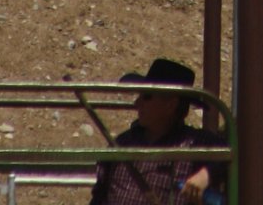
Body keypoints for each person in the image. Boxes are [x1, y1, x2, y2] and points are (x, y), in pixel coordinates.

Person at [89, 58, 225, 205]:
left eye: (147, 96)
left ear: (171, 105)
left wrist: (206, 175)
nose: (137, 103)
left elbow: (232, 156)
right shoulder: (122, 142)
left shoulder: (195, 144)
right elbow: (99, 196)